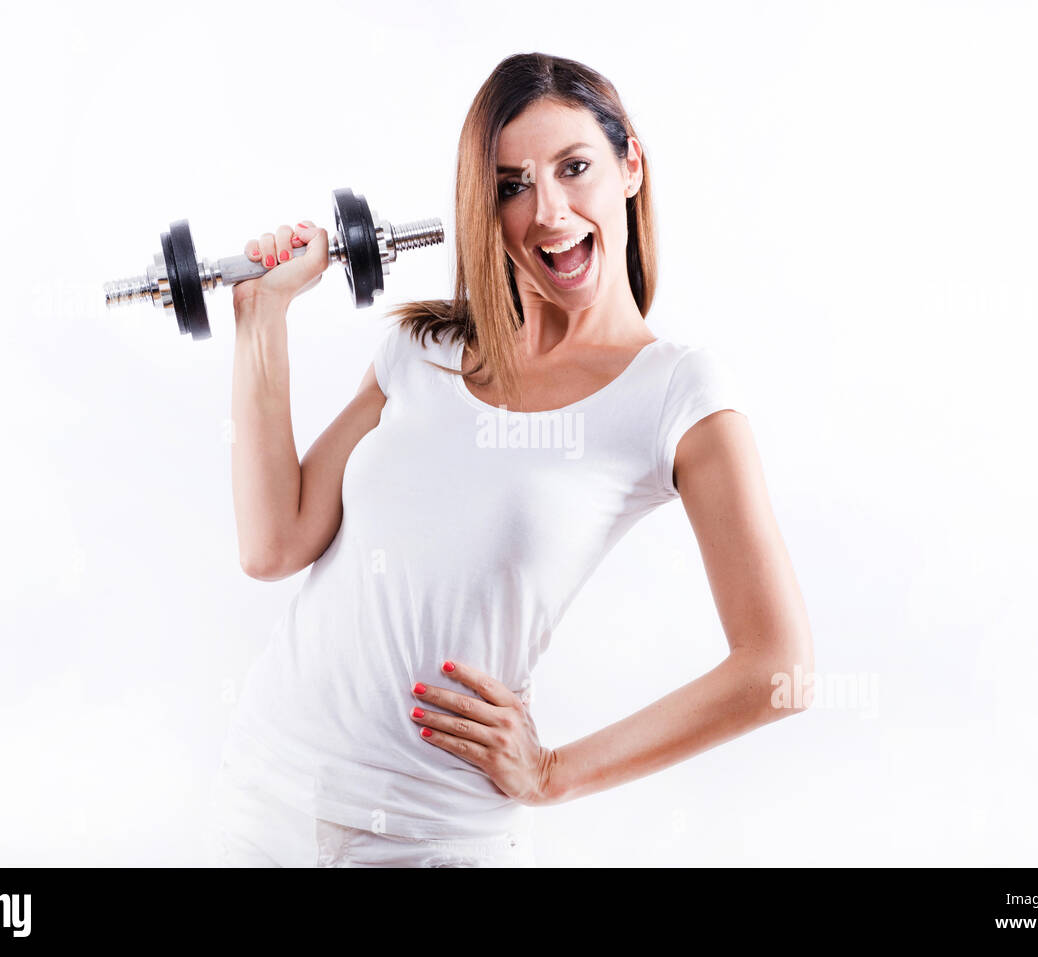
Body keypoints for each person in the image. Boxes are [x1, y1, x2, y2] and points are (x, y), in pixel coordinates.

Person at [206, 52, 814, 868]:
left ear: (630, 164)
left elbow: (780, 668)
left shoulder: (674, 392)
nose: (550, 212)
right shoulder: (423, 347)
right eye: (511, 185)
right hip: (265, 797)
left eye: (575, 168)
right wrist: (261, 316)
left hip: (433, 837)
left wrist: (553, 773)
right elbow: (273, 543)